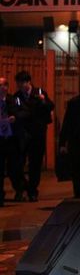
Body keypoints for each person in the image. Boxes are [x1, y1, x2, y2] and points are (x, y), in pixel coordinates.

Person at [12, 70, 54, 202]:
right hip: (23, 134)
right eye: (18, 83)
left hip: (37, 133)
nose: (20, 86)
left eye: (22, 83)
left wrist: (43, 102)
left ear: (28, 82)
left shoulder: (39, 92)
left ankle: (32, 190)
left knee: (35, 164)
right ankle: (22, 187)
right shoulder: (18, 96)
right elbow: (18, 111)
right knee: (17, 164)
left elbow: (50, 106)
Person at [0, 77, 22, 207]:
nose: (1, 87)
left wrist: (15, 117)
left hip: (11, 138)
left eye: (3, 85)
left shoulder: (12, 99)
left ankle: (19, 189)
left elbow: (19, 112)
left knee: (14, 167)